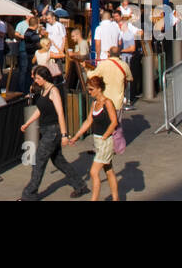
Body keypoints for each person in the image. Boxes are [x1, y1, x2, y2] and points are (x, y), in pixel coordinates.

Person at [18, 66, 88, 201]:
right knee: (58, 161)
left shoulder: (53, 91)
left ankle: (29, 194)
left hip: (53, 131)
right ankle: (80, 185)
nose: (36, 80)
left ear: (45, 78)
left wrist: (64, 135)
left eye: (38, 78)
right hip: (46, 130)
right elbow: (40, 110)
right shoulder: (43, 90)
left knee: (39, 160)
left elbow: (60, 113)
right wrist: (28, 123)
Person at [66, 74, 120, 202]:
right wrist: (76, 137)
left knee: (93, 172)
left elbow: (114, 122)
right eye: (88, 89)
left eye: (91, 89)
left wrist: (105, 136)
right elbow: (88, 121)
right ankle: (115, 198)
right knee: (108, 170)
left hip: (105, 142)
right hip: (98, 141)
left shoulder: (108, 103)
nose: (89, 92)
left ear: (99, 89)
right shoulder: (95, 103)